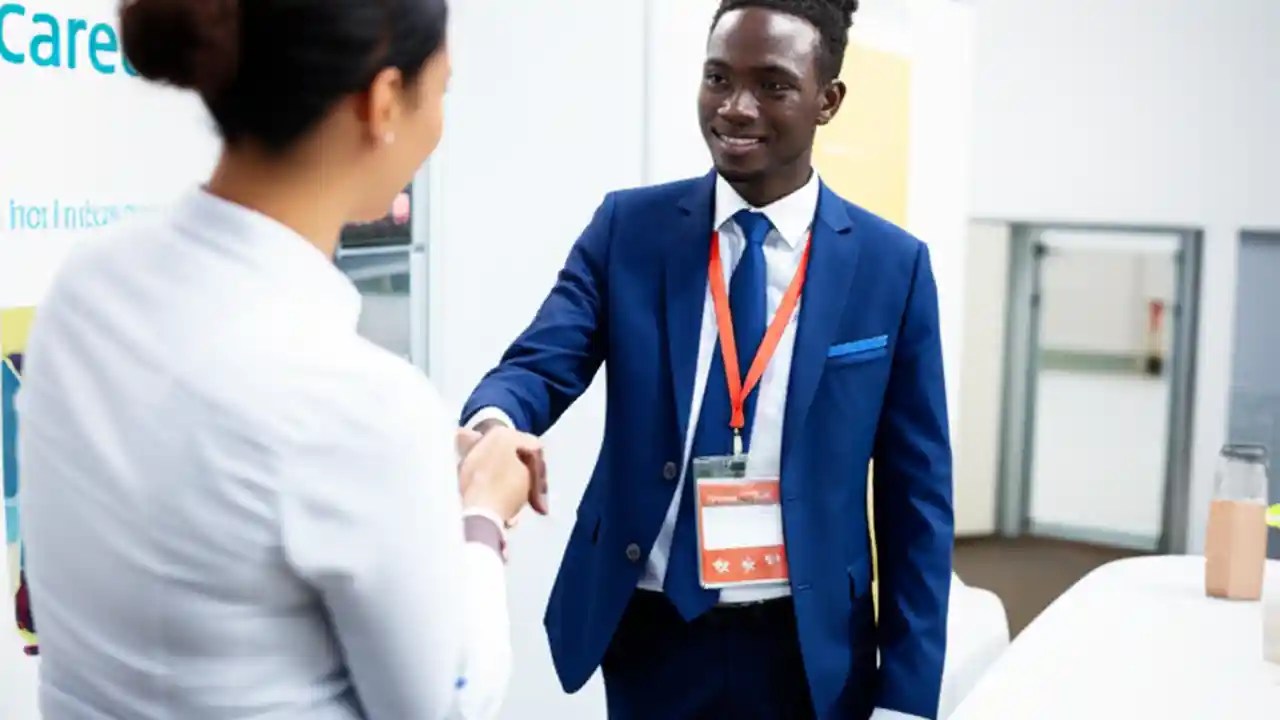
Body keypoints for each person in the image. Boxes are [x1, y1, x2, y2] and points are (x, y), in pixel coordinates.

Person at [16, 1, 543, 718]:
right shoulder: (358, 406)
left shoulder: (87, 287)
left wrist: (416, 461)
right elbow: (445, 703)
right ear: (383, 102)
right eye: (441, 90)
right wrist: (480, 514)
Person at [462, 1, 953, 718]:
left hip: (808, 646)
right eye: (717, 78)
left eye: (773, 85)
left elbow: (917, 499)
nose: (735, 108)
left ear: (828, 101)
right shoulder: (629, 230)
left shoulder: (892, 268)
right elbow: (541, 360)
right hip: (652, 630)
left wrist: (908, 698)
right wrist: (494, 424)